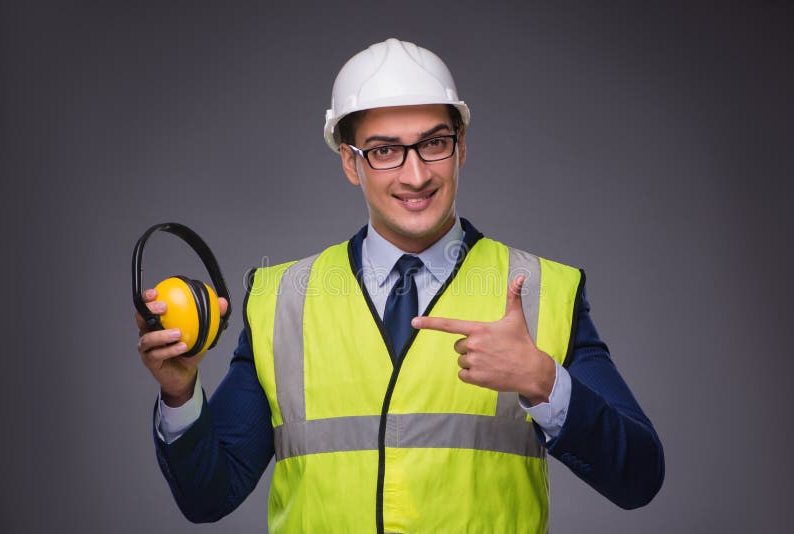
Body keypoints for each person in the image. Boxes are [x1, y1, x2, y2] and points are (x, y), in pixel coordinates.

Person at [136, 38, 664, 533]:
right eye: (385, 151)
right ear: (350, 162)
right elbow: (209, 496)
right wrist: (180, 394)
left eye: (434, 143)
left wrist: (545, 383)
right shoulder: (281, 302)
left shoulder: (546, 291)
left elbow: (638, 479)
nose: (416, 176)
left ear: (461, 147)